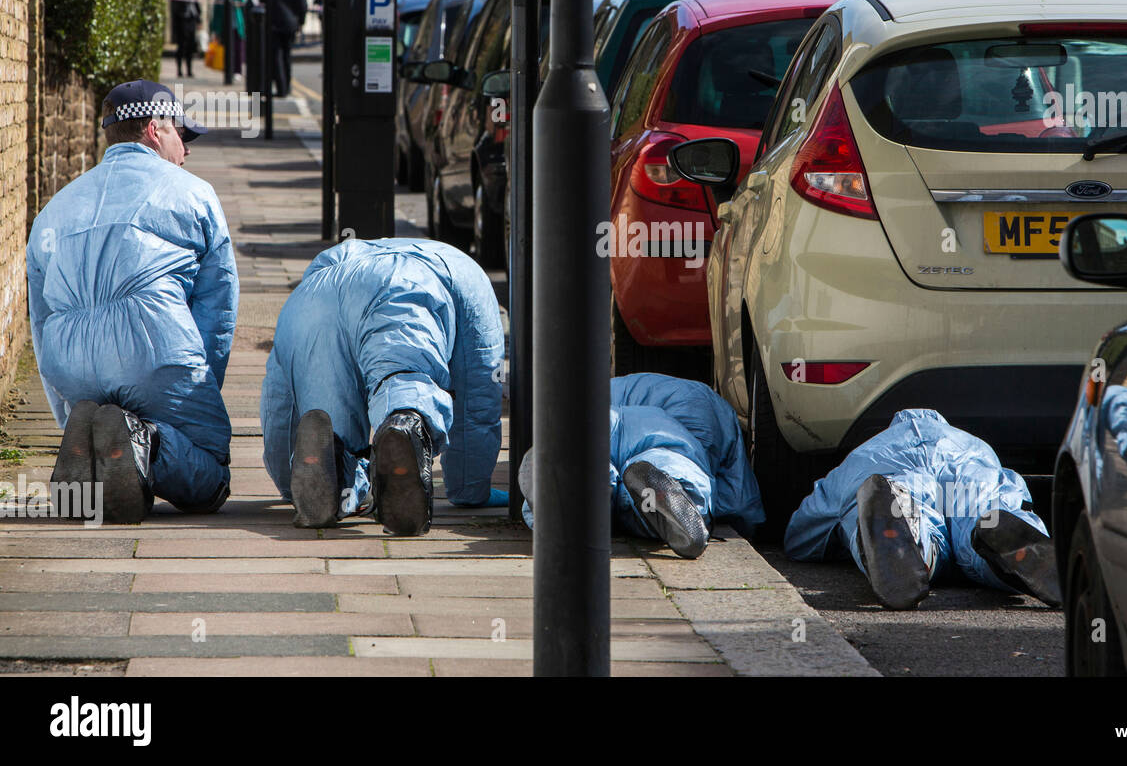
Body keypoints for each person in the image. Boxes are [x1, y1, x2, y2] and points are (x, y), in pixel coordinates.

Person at [32, 81, 237, 523]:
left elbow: (41, 318)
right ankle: (144, 441)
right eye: (182, 134)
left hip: (70, 362)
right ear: (153, 129)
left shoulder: (55, 208)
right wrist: (199, 387)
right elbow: (216, 310)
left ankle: (90, 452)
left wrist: (69, 415)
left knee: (95, 420)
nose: (186, 151)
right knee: (210, 474)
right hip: (154, 351)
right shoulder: (193, 193)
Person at [261, 238, 506, 535]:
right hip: (407, 283)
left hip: (310, 296)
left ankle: (337, 479)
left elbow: (280, 402)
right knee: (402, 378)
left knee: (326, 416)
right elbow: (477, 396)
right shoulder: (469, 274)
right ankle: (405, 426)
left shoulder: (336, 258)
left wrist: (287, 479)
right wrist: (470, 487)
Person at [785, 409, 1059, 609]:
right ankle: (1012, 546)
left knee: (896, 507)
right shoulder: (973, 443)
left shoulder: (865, 453)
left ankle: (911, 538)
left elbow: (801, 533)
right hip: (968, 476)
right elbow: (1008, 483)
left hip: (896, 475)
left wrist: (837, 541)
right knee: (982, 516)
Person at [517, 373, 765, 558]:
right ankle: (670, 492)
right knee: (672, 463)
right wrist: (743, 522)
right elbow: (739, 496)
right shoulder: (712, 405)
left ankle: (569, 483)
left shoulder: (614, 384)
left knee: (584, 458)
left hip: (601, 408)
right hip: (684, 416)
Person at [265, 0, 308, 97]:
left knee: (276, 55)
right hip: (290, 24)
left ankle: (282, 87)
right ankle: (287, 87)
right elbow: (302, 2)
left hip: (275, 24)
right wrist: (301, 21)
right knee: (287, 56)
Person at [210, 0, 246, 79]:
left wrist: (234, 2)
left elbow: (243, 2)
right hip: (224, 27)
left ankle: (237, 71)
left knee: (238, 49)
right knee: (226, 49)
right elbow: (216, 12)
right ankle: (228, 69)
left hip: (236, 26)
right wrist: (215, 29)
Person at [170, 0, 202, 78]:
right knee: (181, 46)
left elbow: (196, 4)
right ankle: (179, 70)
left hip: (191, 20)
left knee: (191, 46)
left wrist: (199, 19)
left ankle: (189, 70)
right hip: (181, 21)